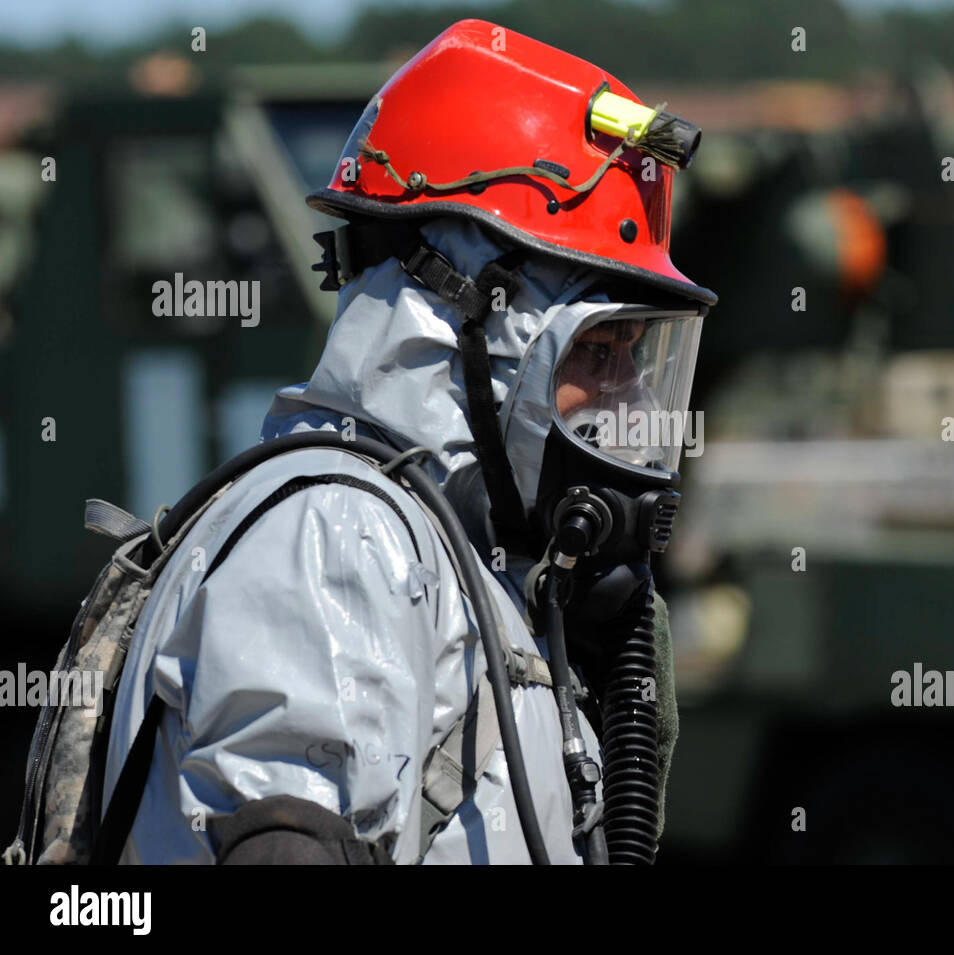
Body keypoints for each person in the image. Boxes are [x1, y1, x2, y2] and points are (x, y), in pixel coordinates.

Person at [100, 18, 715, 864]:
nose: (625, 403)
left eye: (642, 360)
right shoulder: (335, 537)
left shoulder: (457, 552)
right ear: (463, 321)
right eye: (600, 352)